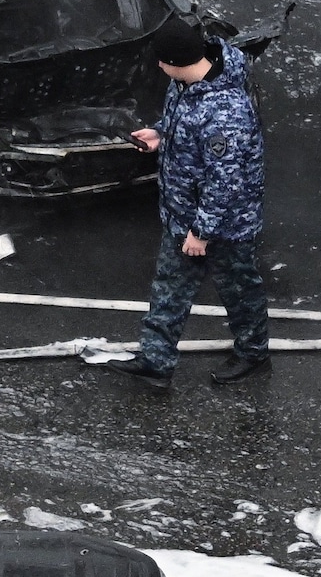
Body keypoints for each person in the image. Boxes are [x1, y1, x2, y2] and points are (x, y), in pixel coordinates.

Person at [108, 21, 269, 392]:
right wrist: (161, 134)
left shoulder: (225, 113)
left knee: (240, 289)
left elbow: (226, 180)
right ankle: (154, 363)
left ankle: (254, 354)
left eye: (162, 63)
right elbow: (183, 122)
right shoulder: (186, 83)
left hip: (225, 225)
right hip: (183, 212)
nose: (159, 69)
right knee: (168, 286)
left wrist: (202, 232)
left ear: (176, 62)